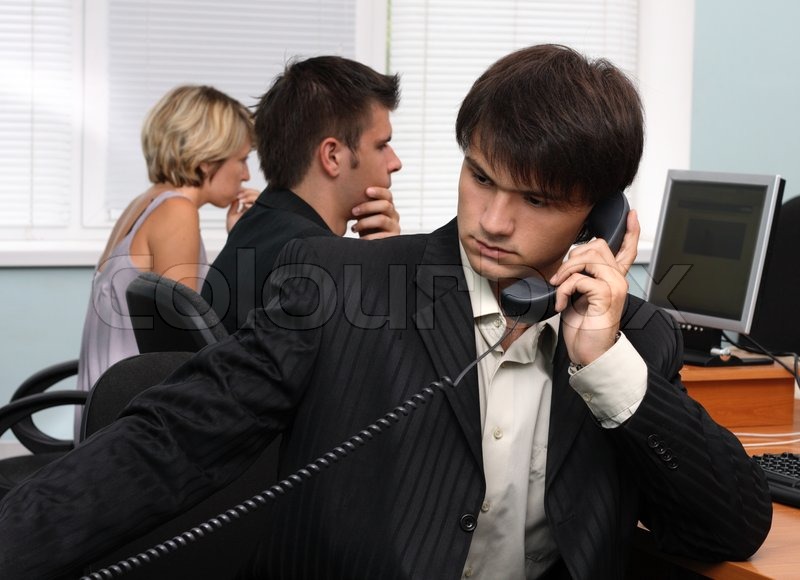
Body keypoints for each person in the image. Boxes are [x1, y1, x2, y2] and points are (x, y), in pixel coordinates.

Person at [0, 45, 771, 580]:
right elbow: (171, 441)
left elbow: (731, 526)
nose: (493, 222)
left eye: (535, 200)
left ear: (599, 217)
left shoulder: (633, 339)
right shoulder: (337, 285)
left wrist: (604, 368)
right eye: (480, 177)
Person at [76, 84, 259, 397]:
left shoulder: (146, 203)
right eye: (241, 159)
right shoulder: (177, 211)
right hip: (132, 414)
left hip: (110, 407)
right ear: (207, 160)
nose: (246, 175)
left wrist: (236, 235)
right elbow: (184, 347)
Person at [202, 55, 402, 334]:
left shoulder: (257, 223)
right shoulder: (317, 261)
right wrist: (386, 267)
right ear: (332, 156)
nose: (395, 162)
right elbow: (388, 369)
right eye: (382, 146)